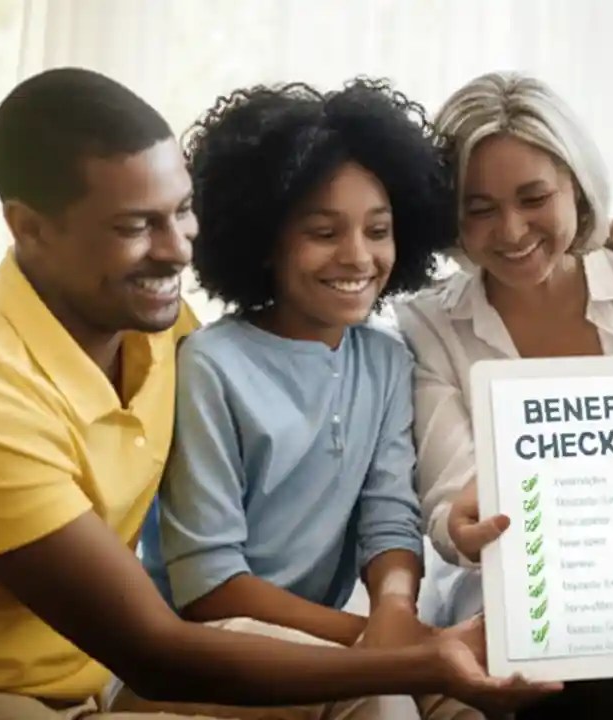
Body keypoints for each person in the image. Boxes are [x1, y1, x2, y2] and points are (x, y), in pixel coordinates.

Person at [0, 67, 552, 720]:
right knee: (381, 695)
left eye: (181, 210)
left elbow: (384, 507)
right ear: (27, 228)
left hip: (106, 685)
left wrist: (588, 240)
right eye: (135, 226)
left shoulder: (158, 332)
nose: (176, 251)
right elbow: (155, 647)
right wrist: (412, 652)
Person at [118, 78, 480, 720]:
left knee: (466, 706)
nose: (358, 256)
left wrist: (394, 613)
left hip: (326, 641)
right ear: (266, 240)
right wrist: (376, 649)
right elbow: (209, 588)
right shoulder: (210, 365)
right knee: (386, 699)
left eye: (378, 230)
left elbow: (388, 515)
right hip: (199, 652)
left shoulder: (386, 358)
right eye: (323, 232)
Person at [394, 72, 613, 718]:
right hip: (518, 590)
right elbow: (448, 498)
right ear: (449, 215)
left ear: (575, 187)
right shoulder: (427, 324)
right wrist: (463, 528)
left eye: (534, 198)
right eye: (480, 208)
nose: (512, 230)